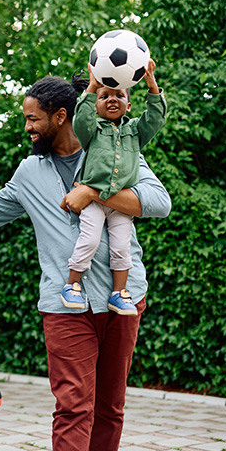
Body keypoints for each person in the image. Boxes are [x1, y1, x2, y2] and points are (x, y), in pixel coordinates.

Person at [0, 74, 171, 451]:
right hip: (64, 306)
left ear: (60, 116)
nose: (27, 127)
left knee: (110, 404)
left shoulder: (115, 149)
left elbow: (158, 202)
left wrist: (93, 192)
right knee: (73, 406)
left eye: (33, 119)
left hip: (122, 298)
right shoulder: (29, 172)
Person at [62, 59, 167, 316]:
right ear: (96, 105)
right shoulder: (91, 133)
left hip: (120, 203)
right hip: (94, 202)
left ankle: (119, 294)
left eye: (119, 95)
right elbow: (81, 120)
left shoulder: (135, 132)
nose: (112, 99)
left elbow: (155, 118)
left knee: (122, 247)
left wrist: (152, 85)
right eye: (104, 96)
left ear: (128, 105)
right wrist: (92, 86)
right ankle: (72, 284)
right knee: (89, 240)